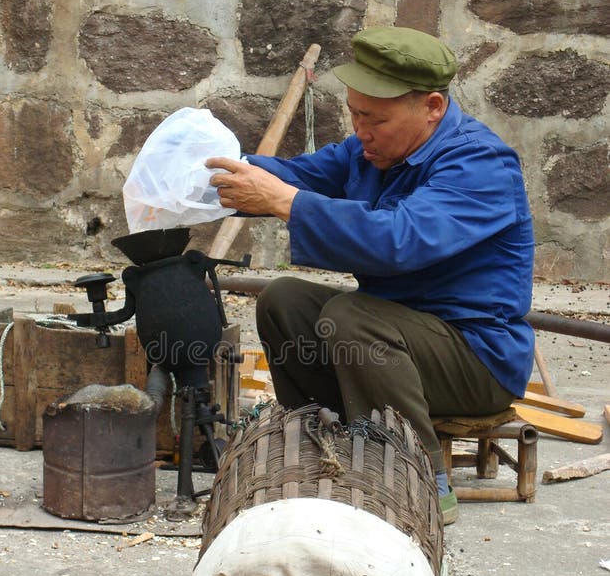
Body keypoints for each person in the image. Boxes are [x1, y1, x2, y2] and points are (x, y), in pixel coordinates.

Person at [206, 26, 535, 525]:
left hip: (477, 358)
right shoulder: (370, 150)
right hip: (395, 337)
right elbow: (289, 176)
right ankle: (327, 449)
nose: (361, 130)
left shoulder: (480, 164)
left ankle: (423, 483)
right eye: (355, 113)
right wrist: (210, 168)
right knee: (283, 299)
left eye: (375, 118)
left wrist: (280, 201)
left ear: (432, 107)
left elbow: (399, 240)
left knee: (350, 316)